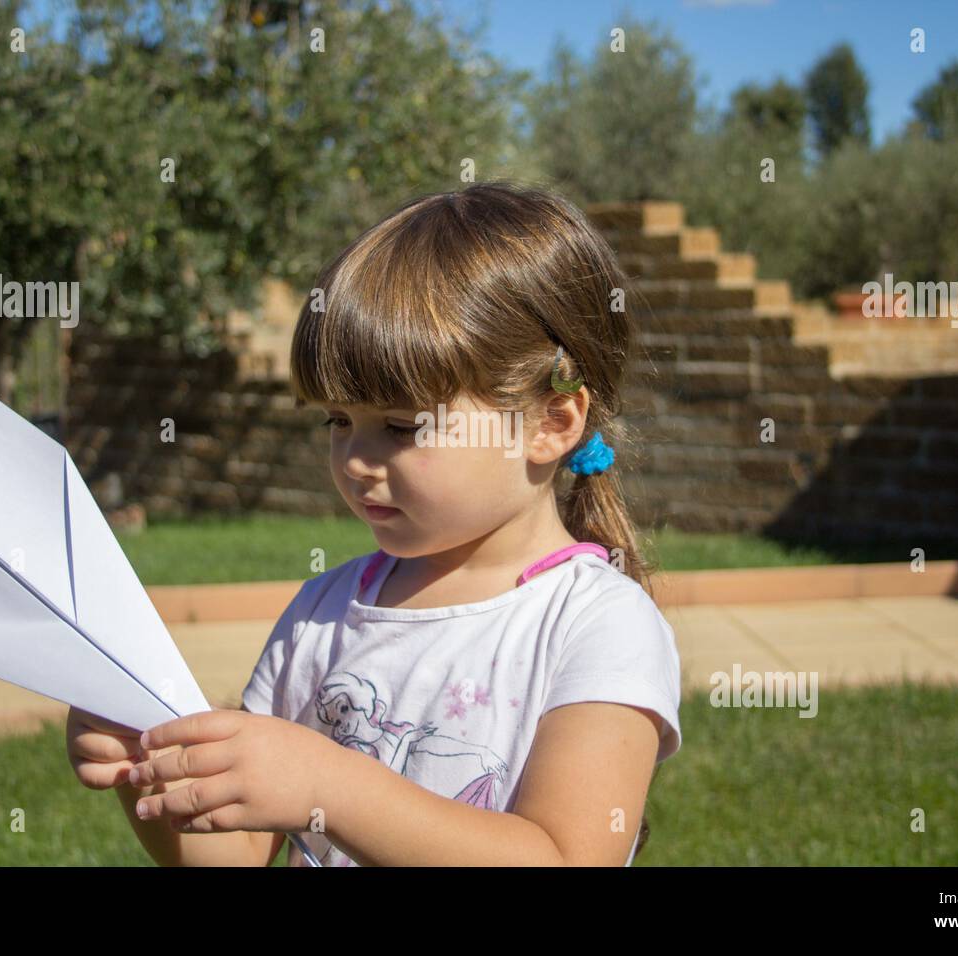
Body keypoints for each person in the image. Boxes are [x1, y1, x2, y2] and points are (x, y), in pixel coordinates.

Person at [65, 180, 682, 866]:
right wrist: (146, 766)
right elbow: (236, 856)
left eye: (399, 425)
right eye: (337, 421)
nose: (356, 459)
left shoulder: (596, 626)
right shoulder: (323, 612)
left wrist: (329, 784)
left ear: (548, 424)